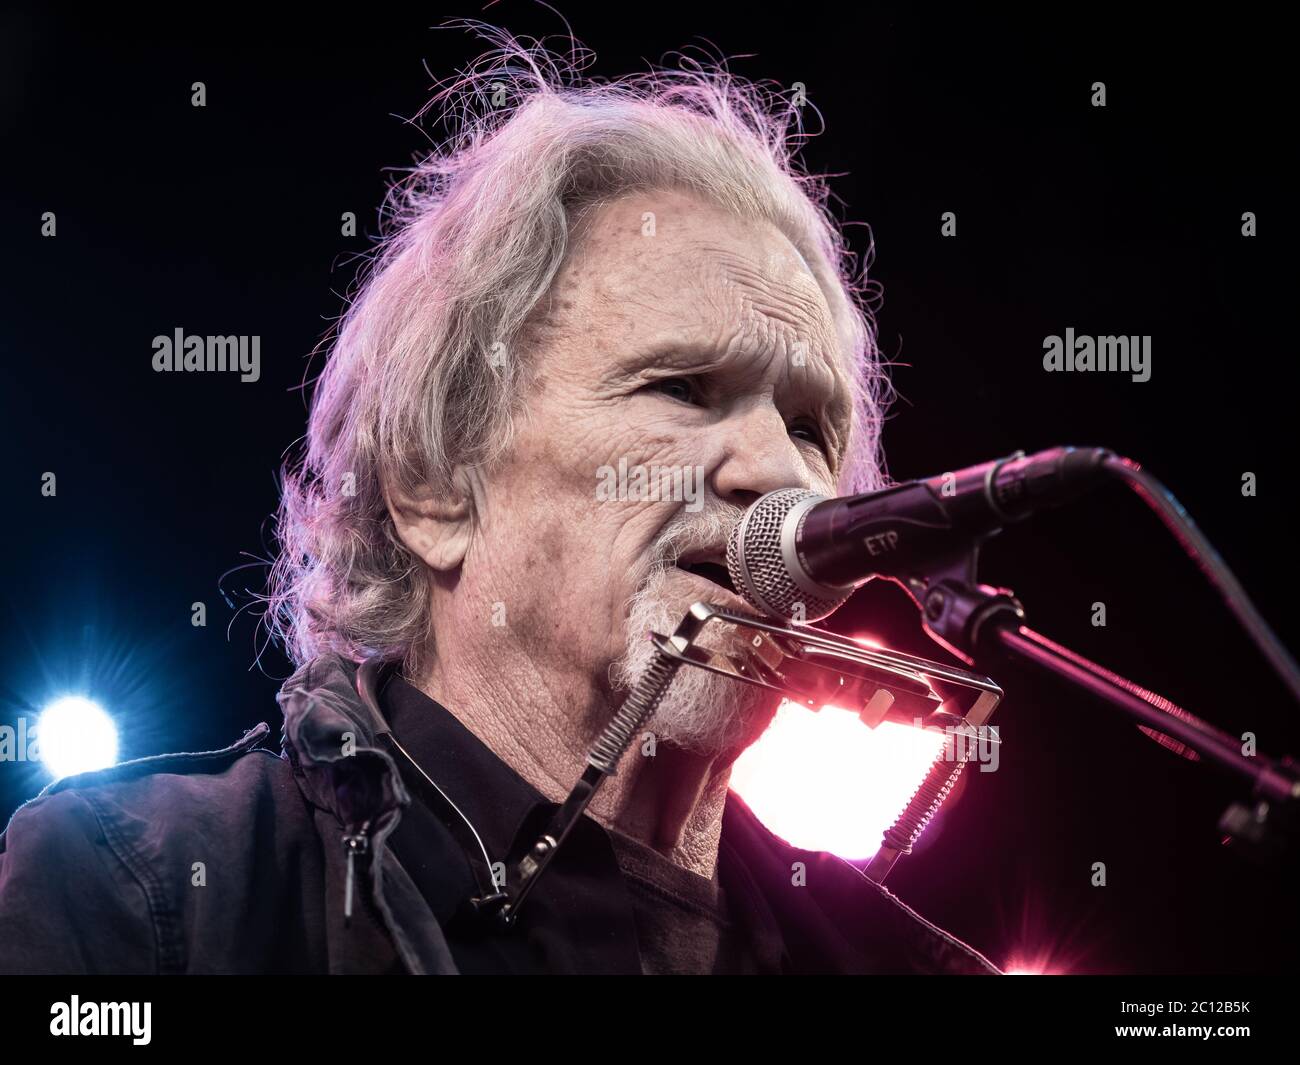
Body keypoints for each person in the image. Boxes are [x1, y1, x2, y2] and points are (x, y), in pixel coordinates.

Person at [0, 25, 999, 975]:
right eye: (683, 389)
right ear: (434, 486)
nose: (778, 474)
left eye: (811, 429)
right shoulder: (143, 891)